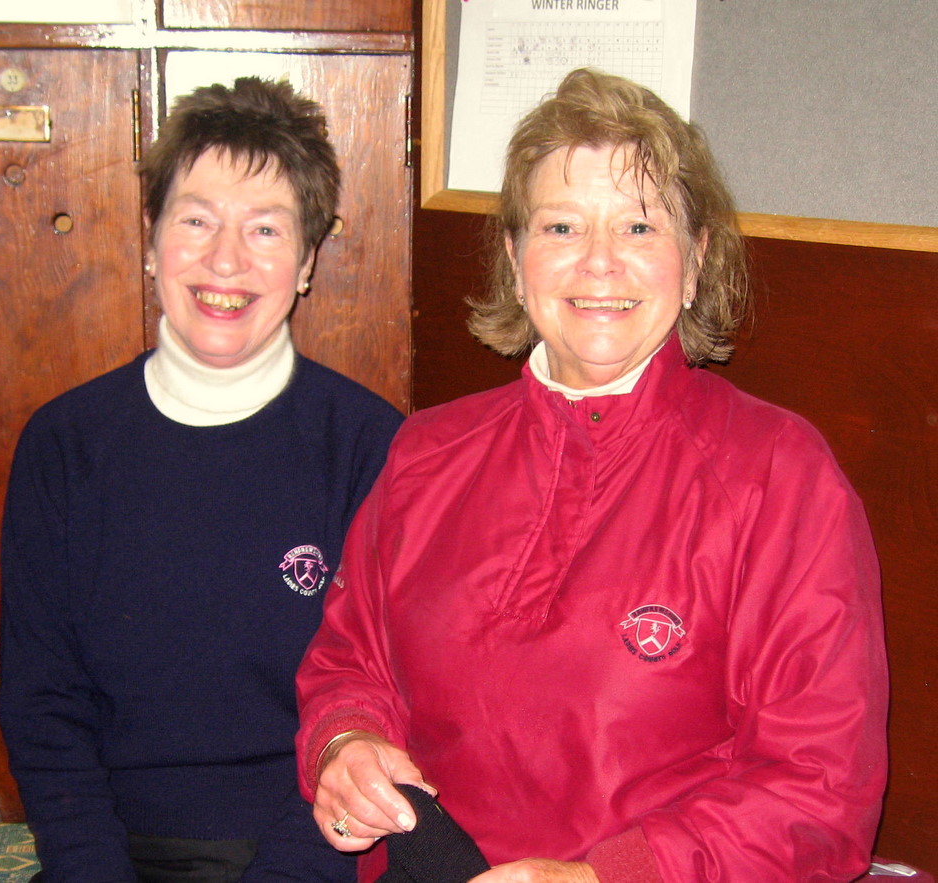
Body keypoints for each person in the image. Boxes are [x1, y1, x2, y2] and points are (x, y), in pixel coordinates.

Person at [295, 68, 888, 882]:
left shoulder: (779, 477)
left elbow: (820, 793)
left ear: (697, 253)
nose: (599, 263)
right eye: (563, 227)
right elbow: (349, 659)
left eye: (640, 228)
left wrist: (606, 876)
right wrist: (346, 739)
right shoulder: (426, 453)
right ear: (515, 255)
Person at [0, 76, 403, 883]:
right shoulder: (64, 444)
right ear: (150, 244)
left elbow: (385, 703)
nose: (226, 259)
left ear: (307, 263)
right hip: (106, 853)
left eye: (265, 228)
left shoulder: (371, 444)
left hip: (307, 854)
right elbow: (44, 705)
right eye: (196, 220)